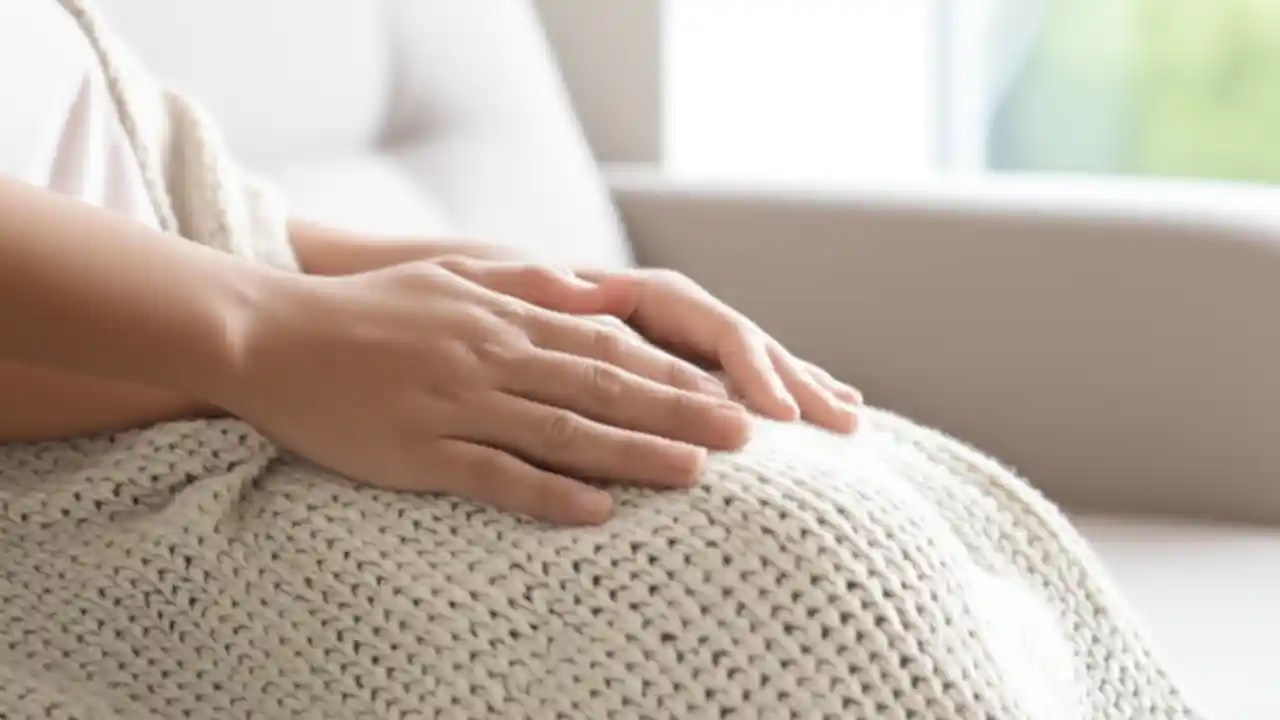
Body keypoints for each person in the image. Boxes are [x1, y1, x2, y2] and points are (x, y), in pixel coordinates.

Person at [0, 2, 1199, 718]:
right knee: (793, 585)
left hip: (234, 350)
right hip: (83, 494)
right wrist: (265, 340)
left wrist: (530, 293)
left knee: (893, 507)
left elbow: (152, 193)